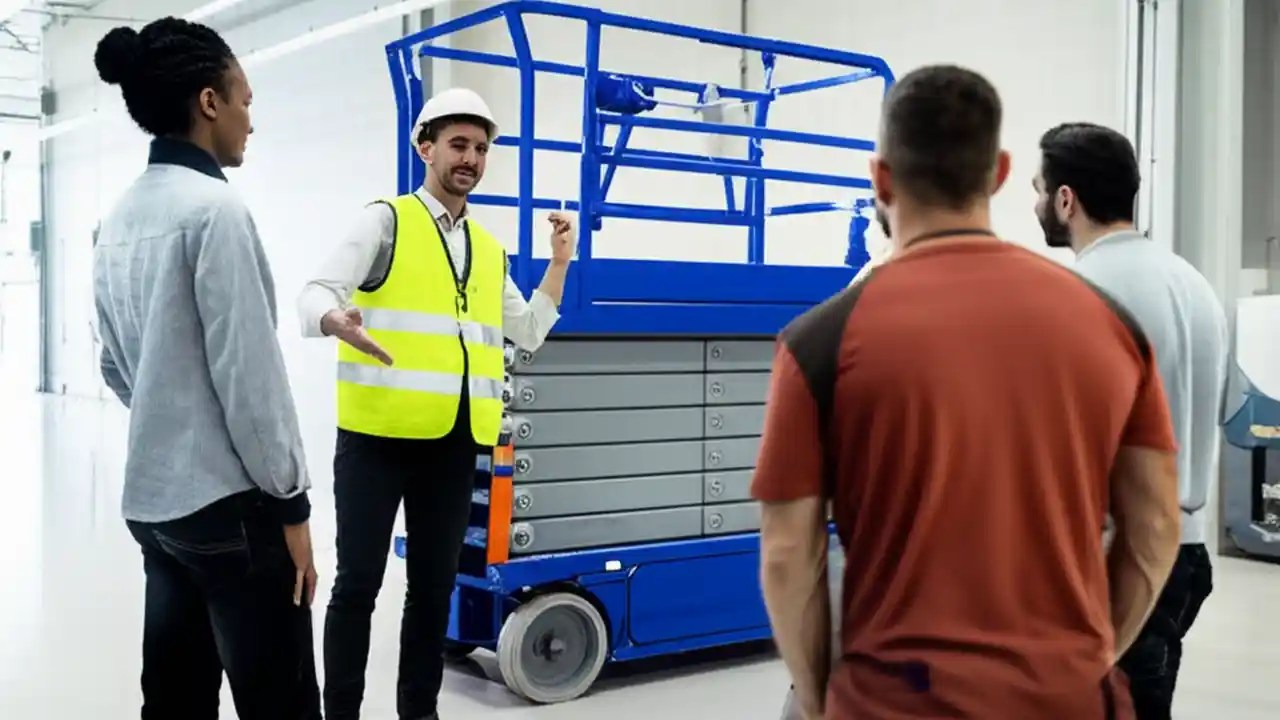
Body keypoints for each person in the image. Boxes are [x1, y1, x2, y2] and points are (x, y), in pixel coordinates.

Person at [752, 64, 1183, 720]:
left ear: (881, 179)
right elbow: (1154, 526)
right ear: (1000, 173)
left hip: (891, 703)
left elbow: (788, 553)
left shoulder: (817, 341)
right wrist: (1091, 657)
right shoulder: (1110, 325)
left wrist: (816, 698)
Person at [297, 86, 574, 720]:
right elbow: (315, 290)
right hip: (376, 440)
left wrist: (559, 263)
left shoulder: (488, 250)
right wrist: (333, 319)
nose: (470, 158)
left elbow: (528, 330)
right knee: (358, 587)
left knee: (431, 589)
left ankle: (419, 710)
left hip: (451, 443)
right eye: (457, 144)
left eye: (480, 148)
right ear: (426, 148)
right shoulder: (385, 221)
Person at [91, 17, 320, 720]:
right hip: (233, 516)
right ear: (209, 102)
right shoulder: (216, 212)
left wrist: (169, 415)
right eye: (245, 101)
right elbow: (251, 382)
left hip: (155, 510)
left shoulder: (117, 218)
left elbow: (113, 365)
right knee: (281, 702)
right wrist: (292, 504)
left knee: (175, 698)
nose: (251, 120)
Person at [1035, 122, 1229, 720]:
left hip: (1111, 560)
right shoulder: (1192, 283)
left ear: (1066, 199)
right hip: (1186, 554)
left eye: (1039, 189)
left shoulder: (1079, 293)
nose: (1036, 203)